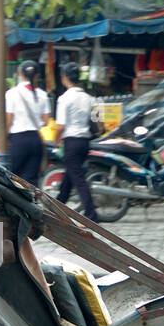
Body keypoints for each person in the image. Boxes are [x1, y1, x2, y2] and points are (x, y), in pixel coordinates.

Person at [54, 61, 100, 222]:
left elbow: (60, 125)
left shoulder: (64, 99)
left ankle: (91, 213)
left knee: (78, 178)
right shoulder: (90, 98)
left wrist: (55, 140)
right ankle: (58, 206)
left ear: (64, 78)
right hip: (85, 142)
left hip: (71, 141)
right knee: (70, 174)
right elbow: (97, 120)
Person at [4, 59, 49, 185]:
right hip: (36, 139)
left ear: (19, 73)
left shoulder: (12, 93)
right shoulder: (42, 95)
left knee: (15, 178)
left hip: (18, 139)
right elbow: (45, 121)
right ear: (37, 76)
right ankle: (32, 204)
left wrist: (6, 139)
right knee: (32, 180)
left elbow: (9, 120)